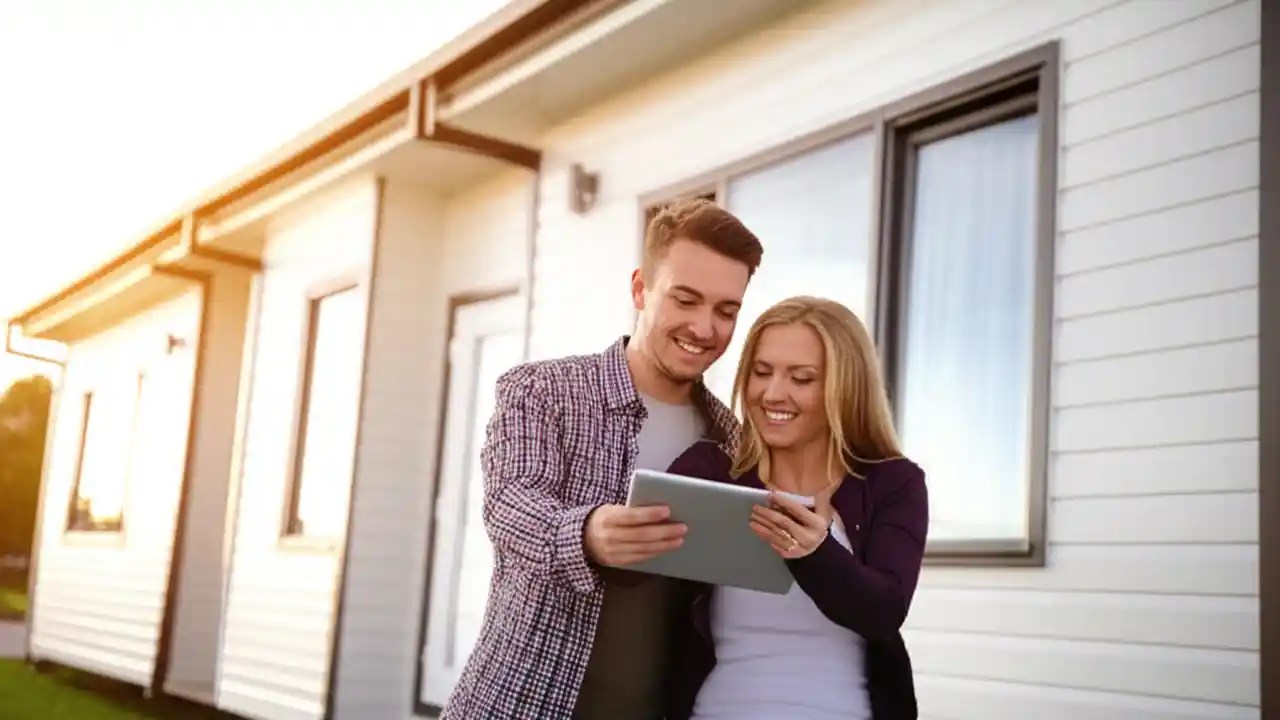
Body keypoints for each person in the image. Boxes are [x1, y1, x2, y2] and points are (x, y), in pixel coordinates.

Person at [438, 198, 764, 720]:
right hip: (518, 706)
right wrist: (587, 533)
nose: (705, 328)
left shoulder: (732, 439)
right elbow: (508, 506)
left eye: (726, 310)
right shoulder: (542, 391)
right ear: (640, 288)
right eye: (685, 300)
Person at [665, 296, 929, 720]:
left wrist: (815, 553)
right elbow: (640, 582)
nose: (773, 394)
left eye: (801, 378)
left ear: (844, 388)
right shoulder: (710, 470)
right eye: (761, 372)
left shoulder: (893, 483)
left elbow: (884, 611)